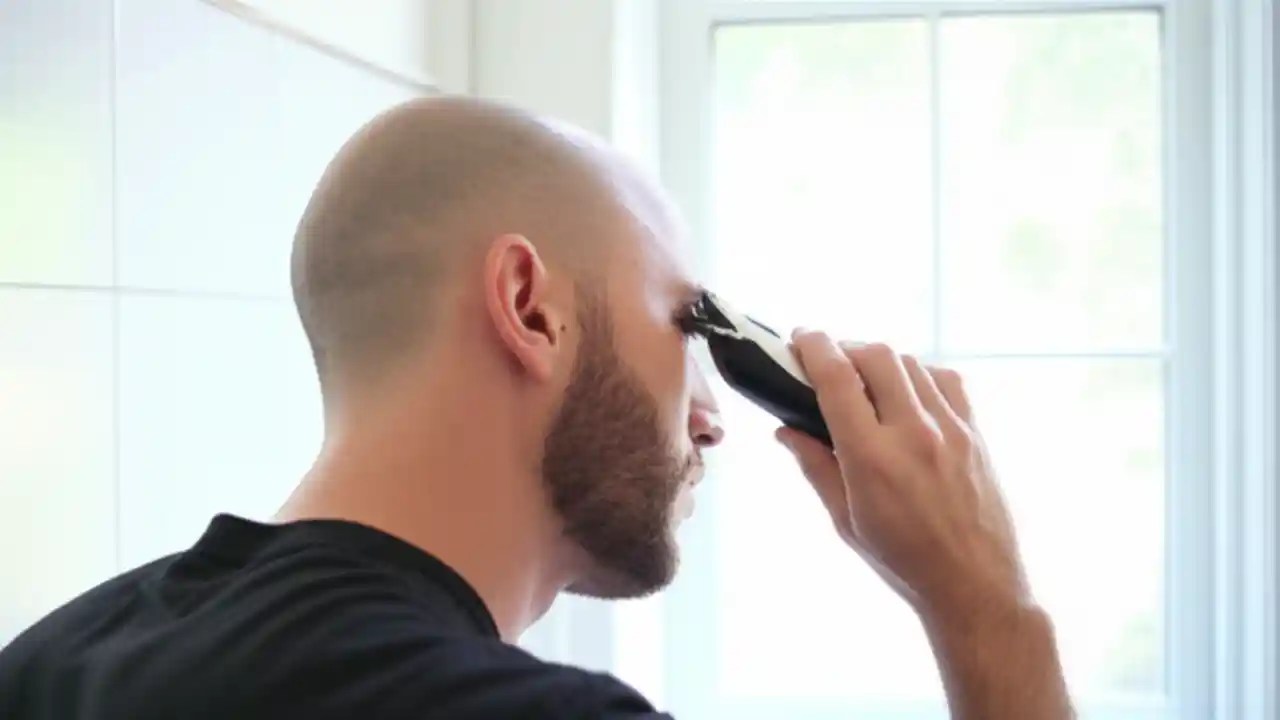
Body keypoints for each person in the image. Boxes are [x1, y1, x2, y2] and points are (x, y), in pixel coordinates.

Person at [0, 97, 1073, 719]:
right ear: (529, 308)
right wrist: (988, 609)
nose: (711, 418)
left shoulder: (52, 660)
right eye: (688, 329)